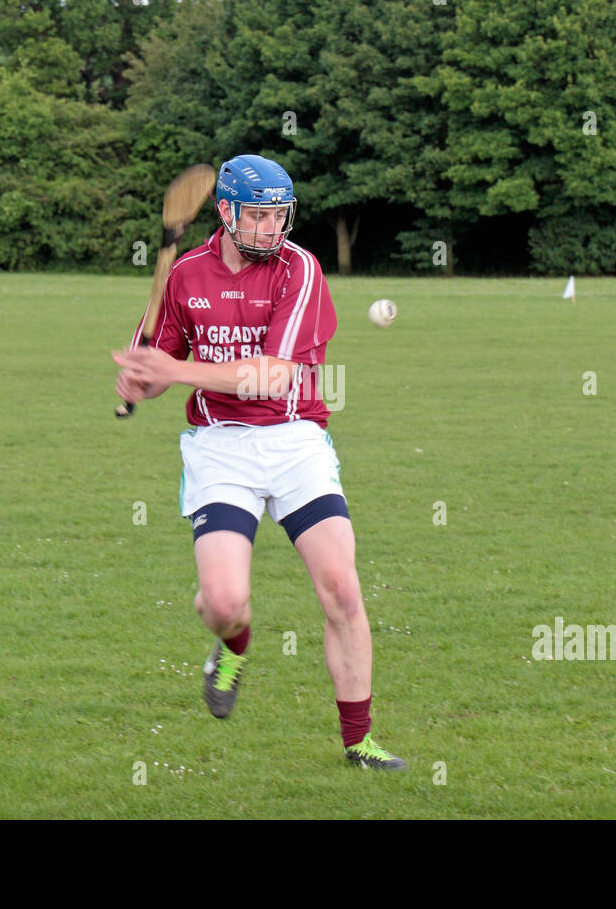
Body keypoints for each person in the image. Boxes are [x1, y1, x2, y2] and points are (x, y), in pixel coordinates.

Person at [113, 154, 406, 770]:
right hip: (219, 446)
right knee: (222, 603)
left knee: (342, 593)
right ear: (225, 212)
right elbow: (159, 368)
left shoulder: (299, 270)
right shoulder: (185, 275)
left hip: (294, 438)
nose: (272, 229)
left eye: (280, 216)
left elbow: (273, 377)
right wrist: (144, 380)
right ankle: (234, 646)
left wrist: (176, 370)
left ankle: (359, 742)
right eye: (259, 216)